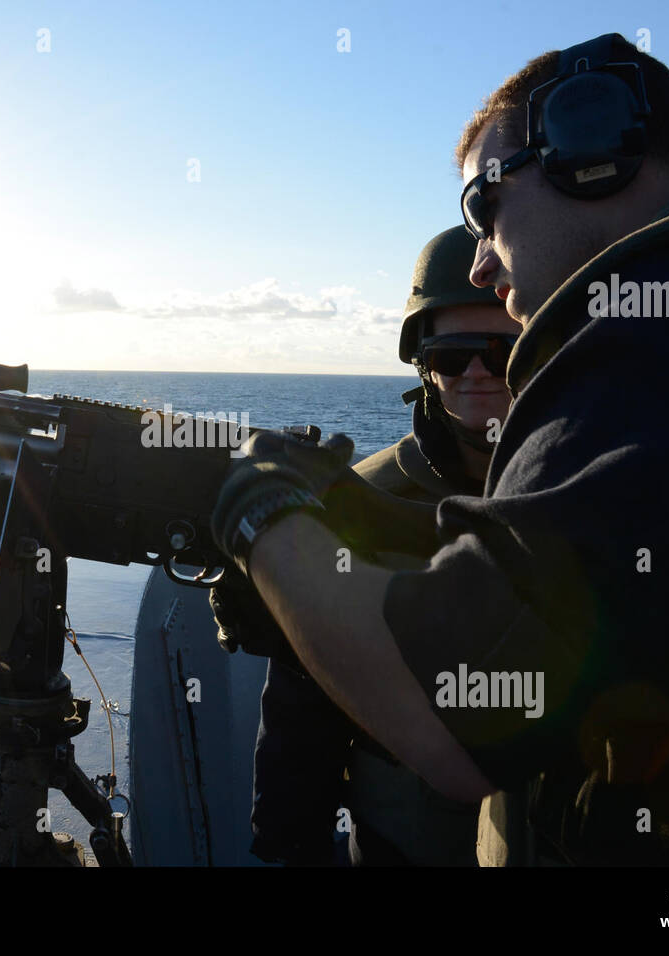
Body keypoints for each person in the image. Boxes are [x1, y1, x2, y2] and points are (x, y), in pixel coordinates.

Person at [210, 33, 669, 865]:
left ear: (588, 148)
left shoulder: (667, 327)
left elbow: (462, 710)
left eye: (483, 205)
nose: (480, 264)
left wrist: (259, 507)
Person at [218, 227, 518, 865]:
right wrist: (291, 844)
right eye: (449, 355)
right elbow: (303, 708)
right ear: (421, 363)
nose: (475, 374)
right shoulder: (361, 499)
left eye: (501, 351)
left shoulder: (585, 493)